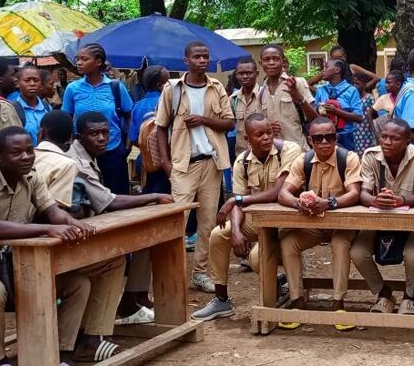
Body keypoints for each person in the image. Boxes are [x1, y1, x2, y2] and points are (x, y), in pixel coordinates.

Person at [0, 127, 128, 365]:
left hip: (17, 258)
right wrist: (46, 229)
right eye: (16, 153)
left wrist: (74, 223)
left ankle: (62, 353)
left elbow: (53, 212)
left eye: (29, 151)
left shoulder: (32, 177)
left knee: (78, 284)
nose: (25, 157)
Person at [63, 112, 175, 328]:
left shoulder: (89, 156)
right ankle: (96, 330)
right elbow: (108, 202)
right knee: (117, 258)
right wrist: (153, 196)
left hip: (91, 224)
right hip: (75, 234)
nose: (101, 138)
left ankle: (133, 299)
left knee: (145, 236)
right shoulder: (75, 162)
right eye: (94, 133)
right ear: (79, 137)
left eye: (105, 132)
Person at [193, 114, 302, 321]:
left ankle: (280, 286)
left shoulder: (289, 151)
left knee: (255, 259)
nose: (266, 138)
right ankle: (221, 299)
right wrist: (235, 230)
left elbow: (278, 193)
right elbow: (238, 201)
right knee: (218, 235)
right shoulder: (242, 162)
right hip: (258, 221)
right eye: (259, 134)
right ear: (247, 139)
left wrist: (238, 201)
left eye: (269, 132)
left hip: (287, 222)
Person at [153, 41, 235, 293]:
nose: (202, 60)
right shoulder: (173, 89)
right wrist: (166, 164)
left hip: (211, 163)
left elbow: (229, 123)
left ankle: (200, 274)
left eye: (205, 57)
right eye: (197, 57)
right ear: (186, 60)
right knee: (177, 220)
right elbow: (160, 127)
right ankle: (171, 275)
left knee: (208, 222)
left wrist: (204, 120)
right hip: (182, 164)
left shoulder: (217, 87)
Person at [277, 117, 361, 330]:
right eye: (318, 138)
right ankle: (297, 301)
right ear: (310, 140)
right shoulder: (303, 161)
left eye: (330, 136)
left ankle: (338, 303)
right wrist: (298, 203)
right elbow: (283, 193)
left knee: (340, 245)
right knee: (288, 243)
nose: (325, 142)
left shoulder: (348, 158)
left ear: (336, 138)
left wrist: (329, 203)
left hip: (342, 225)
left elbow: (354, 194)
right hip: (314, 225)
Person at [351, 119, 414, 315]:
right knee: (358, 253)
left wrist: (401, 200)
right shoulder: (371, 155)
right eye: (384, 136)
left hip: (411, 222)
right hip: (378, 221)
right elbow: (363, 193)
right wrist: (375, 201)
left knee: (413, 256)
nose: (387, 142)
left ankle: (409, 298)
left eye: (394, 138)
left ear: (407, 142)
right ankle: (383, 294)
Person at [62, 43, 134, 195]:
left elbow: (129, 115)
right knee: (85, 194)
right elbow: (66, 117)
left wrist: (127, 145)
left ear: (98, 62)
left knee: (118, 192)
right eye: (77, 59)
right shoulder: (73, 88)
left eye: (84, 59)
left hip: (112, 147)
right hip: (82, 151)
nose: (79, 63)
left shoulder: (115, 87)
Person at [258, 44, 318, 149]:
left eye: (276, 59)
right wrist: (268, 127)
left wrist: (299, 97)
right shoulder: (261, 92)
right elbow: (259, 124)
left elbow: (315, 119)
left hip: (298, 151)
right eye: (266, 60)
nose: (271, 63)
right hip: (274, 152)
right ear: (261, 63)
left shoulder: (296, 83)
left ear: (283, 62)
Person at [129, 66, 169, 194]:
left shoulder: (137, 106)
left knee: (149, 198)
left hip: (145, 161)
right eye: (167, 82)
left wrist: (147, 146)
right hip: (168, 160)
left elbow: (134, 137)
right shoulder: (168, 103)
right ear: (159, 85)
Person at [313, 59, 365, 153]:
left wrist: (337, 112)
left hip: (345, 137)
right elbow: (314, 114)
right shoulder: (321, 90)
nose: (323, 70)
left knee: (345, 164)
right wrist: (319, 109)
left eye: (326, 67)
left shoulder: (351, 90)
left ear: (337, 70)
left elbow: (359, 117)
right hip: (324, 137)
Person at [8, 63, 52, 145]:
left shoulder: (47, 108)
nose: (32, 84)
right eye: (27, 80)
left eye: (36, 80)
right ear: (17, 83)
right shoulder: (12, 109)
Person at [308, 45, 380, 91]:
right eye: (334, 59)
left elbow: (376, 78)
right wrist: (322, 92)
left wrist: (361, 89)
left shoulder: (352, 67)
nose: (337, 61)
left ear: (345, 57)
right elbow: (308, 84)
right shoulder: (328, 71)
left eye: (339, 58)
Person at [230, 57, 262, 155]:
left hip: (263, 153)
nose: (245, 76)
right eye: (241, 73)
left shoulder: (264, 94)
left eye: (249, 73)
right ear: (236, 75)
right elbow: (230, 124)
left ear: (257, 74)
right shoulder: (233, 99)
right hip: (242, 154)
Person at [349, 72, 378, 155]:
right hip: (354, 134)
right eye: (353, 84)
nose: (354, 86)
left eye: (357, 83)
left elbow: (374, 116)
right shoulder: (352, 99)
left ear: (365, 84)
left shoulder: (369, 99)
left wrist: (375, 133)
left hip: (367, 134)